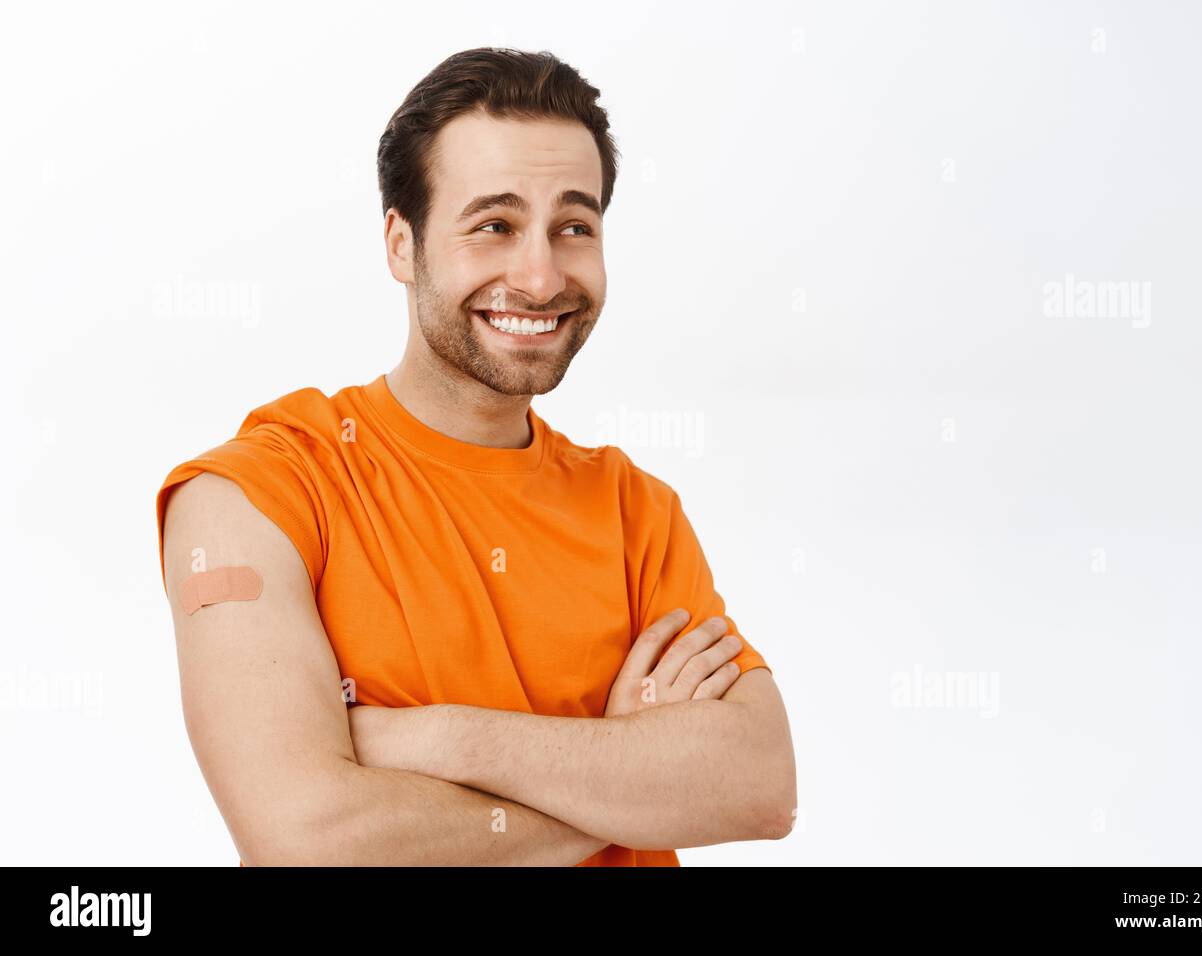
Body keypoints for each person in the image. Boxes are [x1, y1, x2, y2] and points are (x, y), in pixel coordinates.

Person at [155, 47, 796, 866]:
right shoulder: (255, 495)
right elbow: (307, 841)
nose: (538, 276)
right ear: (401, 243)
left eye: (574, 227)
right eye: (493, 225)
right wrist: (629, 774)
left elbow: (761, 784)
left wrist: (441, 740)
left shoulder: (637, 510)